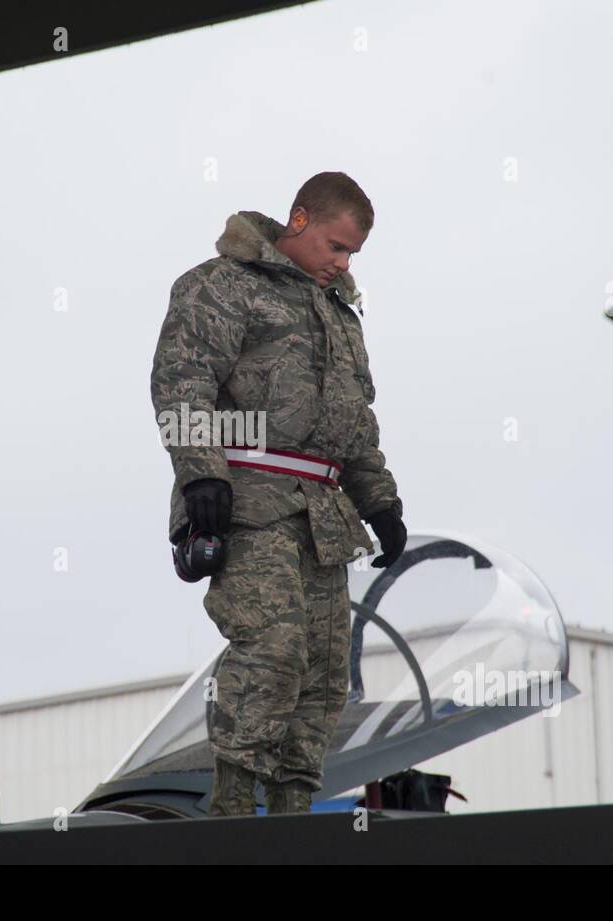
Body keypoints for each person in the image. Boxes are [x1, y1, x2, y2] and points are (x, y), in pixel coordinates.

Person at [150, 171, 407, 816]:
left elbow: (354, 420)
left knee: (323, 677)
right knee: (272, 651)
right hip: (247, 504)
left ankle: (292, 820)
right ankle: (234, 815)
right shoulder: (220, 286)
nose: (342, 264)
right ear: (299, 221)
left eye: (352, 254)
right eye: (335, 245)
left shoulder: (339, 314)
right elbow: (183, 382)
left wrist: (379, 501)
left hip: (324, 518)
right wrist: (202, 475)